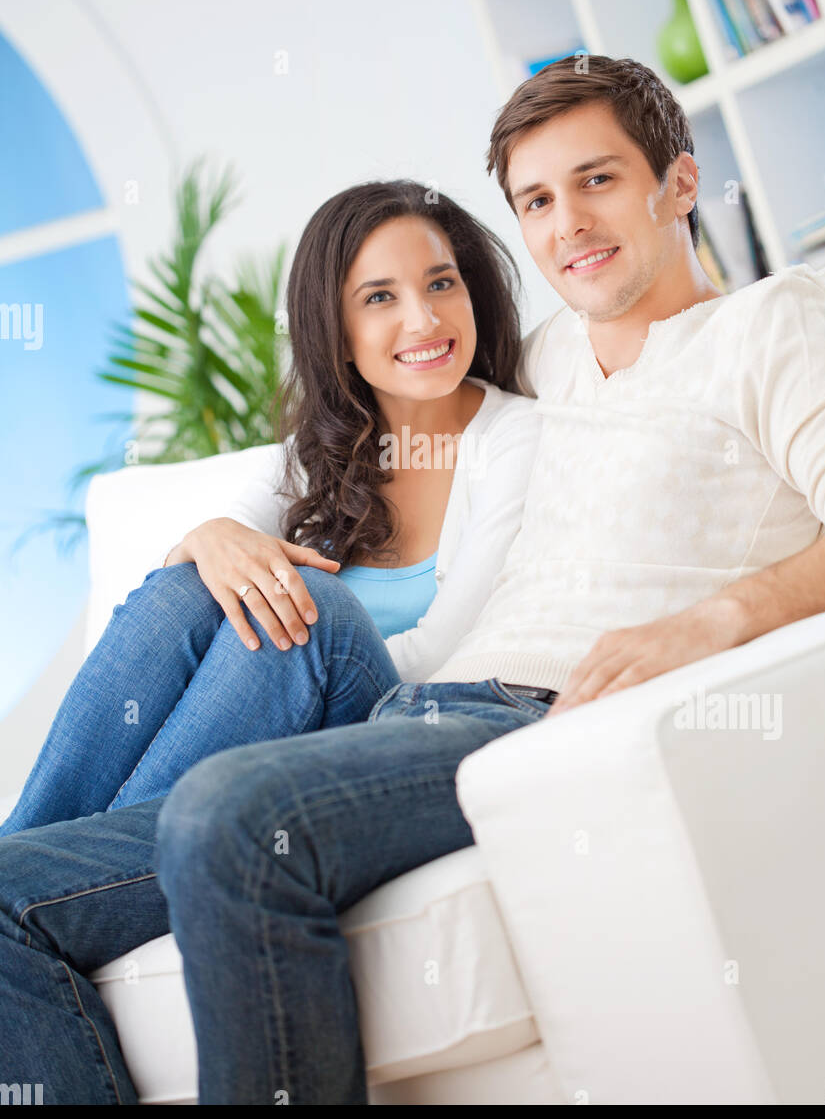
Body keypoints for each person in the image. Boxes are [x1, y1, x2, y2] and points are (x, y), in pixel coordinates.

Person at [2, 55, 825, 1104]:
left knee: (227, 811)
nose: (568, 226)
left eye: (596, 180)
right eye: (536, 201)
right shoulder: (545, 365)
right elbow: (370, 423)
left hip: (533, 716)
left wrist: (714, 619)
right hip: (410, 718)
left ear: (678, 184)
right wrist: (217, 530)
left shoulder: (772, 326)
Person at [0, 179, 540, 834]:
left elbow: (441, 652)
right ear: (337, 335)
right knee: (195, 584)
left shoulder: (513, 435)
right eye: (379, 298)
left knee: (301, 616)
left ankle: (62, 865)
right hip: (270, 716)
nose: (424, 319)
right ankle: (26, 853)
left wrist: (267, 672)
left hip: (391, 719)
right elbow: (189, 580)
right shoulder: (313, 454)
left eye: (441, 283)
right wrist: (211, 535)